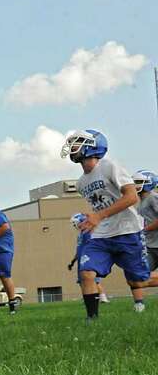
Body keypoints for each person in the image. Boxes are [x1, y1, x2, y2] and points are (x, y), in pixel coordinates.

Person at [63, 130, 151, 318]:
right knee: (86, 273)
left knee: (139, 282)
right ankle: (92, 320)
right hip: (102, 235)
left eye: (77, 142)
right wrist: (93, 216)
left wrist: (99, 215)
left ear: (93, 146)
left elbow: (131, 197)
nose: (72, 147)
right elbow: (101, 203)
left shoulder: (109, 166)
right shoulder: (81, 183)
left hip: (128, 231)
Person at [134, 171, 158, 273]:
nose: (135, 184)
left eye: (138, 181)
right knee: (140, 274)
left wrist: (144, 230)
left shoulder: (153, 197)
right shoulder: (141, 202)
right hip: (150, 246)